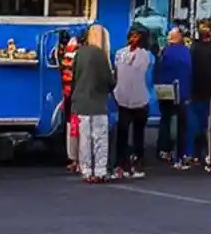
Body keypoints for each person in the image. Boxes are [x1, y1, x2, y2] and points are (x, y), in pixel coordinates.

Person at [73, 24, 114, 183]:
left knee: (85, 139)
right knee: (100, 138)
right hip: (98, 103)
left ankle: (86, 170)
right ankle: (100, 170)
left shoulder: (79, 54)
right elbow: (109, 80)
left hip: (81, 102)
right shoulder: (101, 55)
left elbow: (75, 76)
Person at [113, 26, 153, 179]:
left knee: (138, 135)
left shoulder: (145, 55)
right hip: (123, 99)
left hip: (140, 100)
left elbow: (137, 67)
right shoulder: (120, 53)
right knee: (122, 133)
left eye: (137, 36)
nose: (133, 38)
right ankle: (120, 164)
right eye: (132, 35)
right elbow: (118, 70)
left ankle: (137, 162)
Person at [154, 28, 193, 169]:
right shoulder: (186, 52)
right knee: (182, 124)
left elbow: (157, 70)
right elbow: (189, 72)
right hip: (181, 91)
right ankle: (180, 154)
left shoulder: (164, 52)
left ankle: (163, 149)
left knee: (165, 120)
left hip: (165, 90)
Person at [188, 18, 211, 171]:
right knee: (207, 124)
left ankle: (197, 154)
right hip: (209, 91)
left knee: (198, 124)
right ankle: (207, 153)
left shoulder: (194, 48)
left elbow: (191, 70)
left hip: (198, 91)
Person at [59, 35, 80, 173]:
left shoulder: (64, 60)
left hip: (68, 97)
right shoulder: (79, 56)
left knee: (71, 129)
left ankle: (73, 159)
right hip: (76, 97)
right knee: (77, 130)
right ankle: (77, 160)